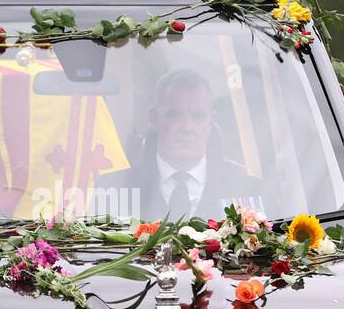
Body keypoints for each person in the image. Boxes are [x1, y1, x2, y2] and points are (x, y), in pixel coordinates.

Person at [92, 68, 267, 220]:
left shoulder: (247, 191)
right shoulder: (113, 189)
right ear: (153, 118)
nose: (187, 127)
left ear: (211, 121)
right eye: (174, 115)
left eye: (198, 116)